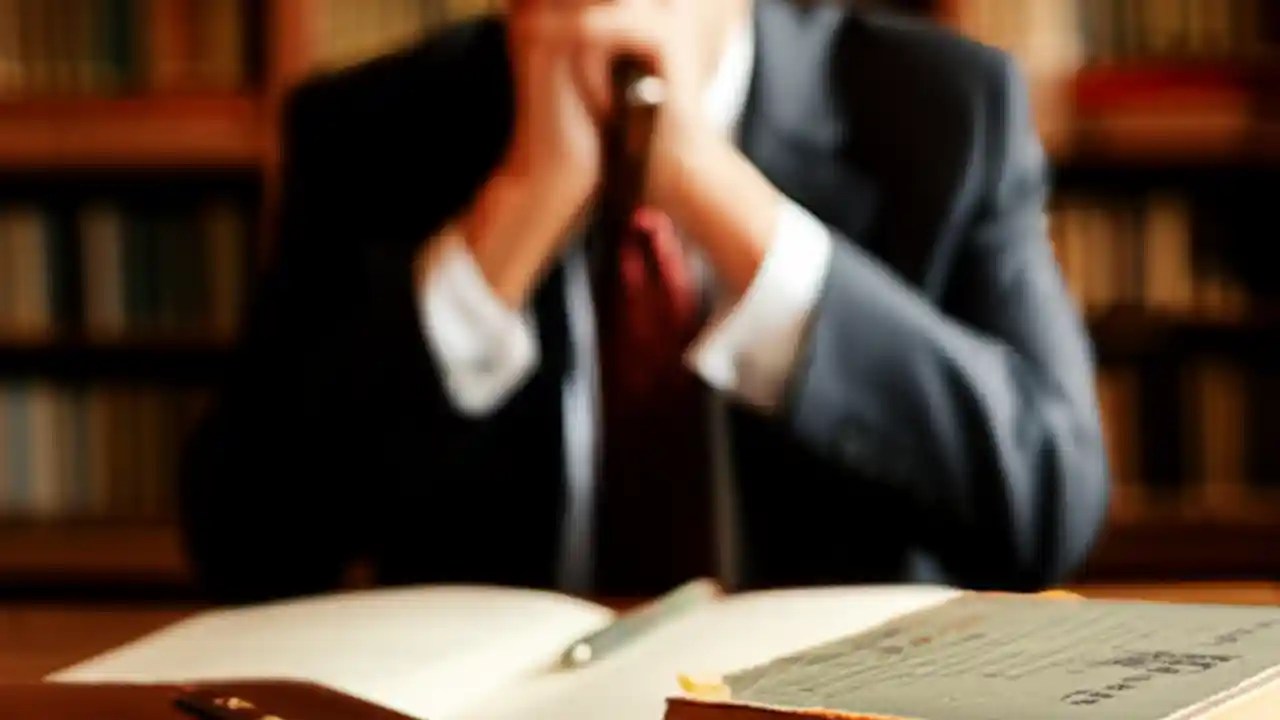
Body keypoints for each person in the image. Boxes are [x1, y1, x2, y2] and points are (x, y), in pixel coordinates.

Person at [178, 0, 1110, 603]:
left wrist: (715, 195)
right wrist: (513, 218)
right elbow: (244, 542)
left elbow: (1048, 504)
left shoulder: (948, 106)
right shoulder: (364, 129)